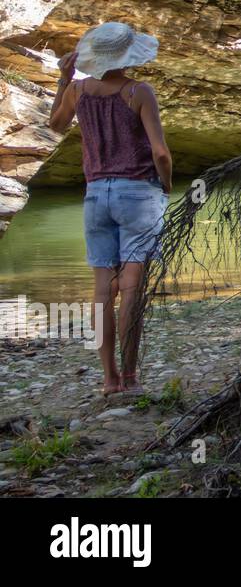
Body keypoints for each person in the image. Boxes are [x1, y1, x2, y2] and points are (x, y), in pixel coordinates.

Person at [48, 22, 172, 398]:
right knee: (131, 289)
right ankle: (131, 377)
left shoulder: (78, 91)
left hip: (95, 195)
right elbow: (161, 152)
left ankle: (109, 380)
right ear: (128, 56)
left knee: (103, 291)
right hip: (137, 192)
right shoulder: (138, 92)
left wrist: (63, 79)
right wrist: (165, 186)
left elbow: (54, 126)